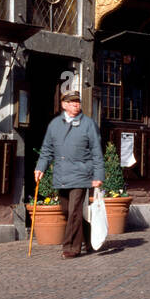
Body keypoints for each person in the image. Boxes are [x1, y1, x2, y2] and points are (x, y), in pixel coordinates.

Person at [34, 90, 104, 259]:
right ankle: (88, 238)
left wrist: (98, 175)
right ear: (64, 105)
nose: (76, 104)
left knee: (74, 211)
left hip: (81, 174)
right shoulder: (55, 125)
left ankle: (71, 247)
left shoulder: (88, 124)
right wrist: (40, 167)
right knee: (67, 211)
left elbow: (96, 151)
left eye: (77, 102)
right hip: (61, 174)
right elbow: (47, 149)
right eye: (71, 102)